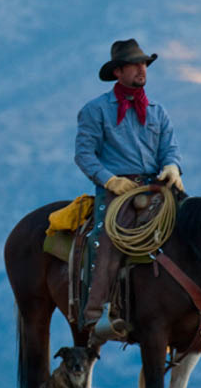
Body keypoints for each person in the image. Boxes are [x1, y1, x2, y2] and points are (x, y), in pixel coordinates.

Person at [74, 39, 184, 342]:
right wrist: (110, 180)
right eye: (135, 64)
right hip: (117, 191)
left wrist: (172, 166)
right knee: (109, 238)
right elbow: (84, 155)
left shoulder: (158, 112)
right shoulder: (95, 110)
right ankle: (97, 314)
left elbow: (170, 149)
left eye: (145, 63)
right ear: (118, 72)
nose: (142, 69)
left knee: (197, 228)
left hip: (156, 187)